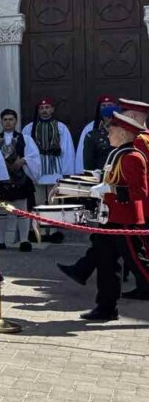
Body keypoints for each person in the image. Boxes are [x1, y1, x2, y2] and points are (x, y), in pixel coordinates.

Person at [79, 111, 149, 322]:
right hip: (111, 218)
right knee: (106, 264)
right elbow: (116, 177)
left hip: (125, 220)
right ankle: (106, 307)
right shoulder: (119, 153)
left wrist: (110, 189)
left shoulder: (132, 157)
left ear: (124, 133)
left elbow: (140, 192)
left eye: (112, 129)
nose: (108, 132)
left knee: (139, 264)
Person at [22, 97, 75, 242]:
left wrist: (67, 171)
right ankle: (38, 230)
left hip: (55, 167)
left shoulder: (60, 127)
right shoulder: (29, 128)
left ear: (52, 109)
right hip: (37, 169)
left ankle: (52, 231)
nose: (44, 110)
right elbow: (25, 149)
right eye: (41, 108)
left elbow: (67, 149)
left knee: (53, 202)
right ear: (38, 110)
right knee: (38, 201)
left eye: (47, 108)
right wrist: (28, 169)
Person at [0, 110, 39, 251]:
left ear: (16, 121)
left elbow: (34, 156)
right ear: (1, 121)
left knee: (22, 211)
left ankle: (24, 241)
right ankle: (0, 241)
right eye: (5, 119)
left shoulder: (25, 138)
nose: (8, 122)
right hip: (1, 180)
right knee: (1, 212)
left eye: (11, 119)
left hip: (19, 179)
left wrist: (23, 160)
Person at [76, 96, 117, 173]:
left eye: (109, 105)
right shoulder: (90, 128)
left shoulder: (123, 127)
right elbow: (86, 157)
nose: (106, 108)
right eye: (103, 106)